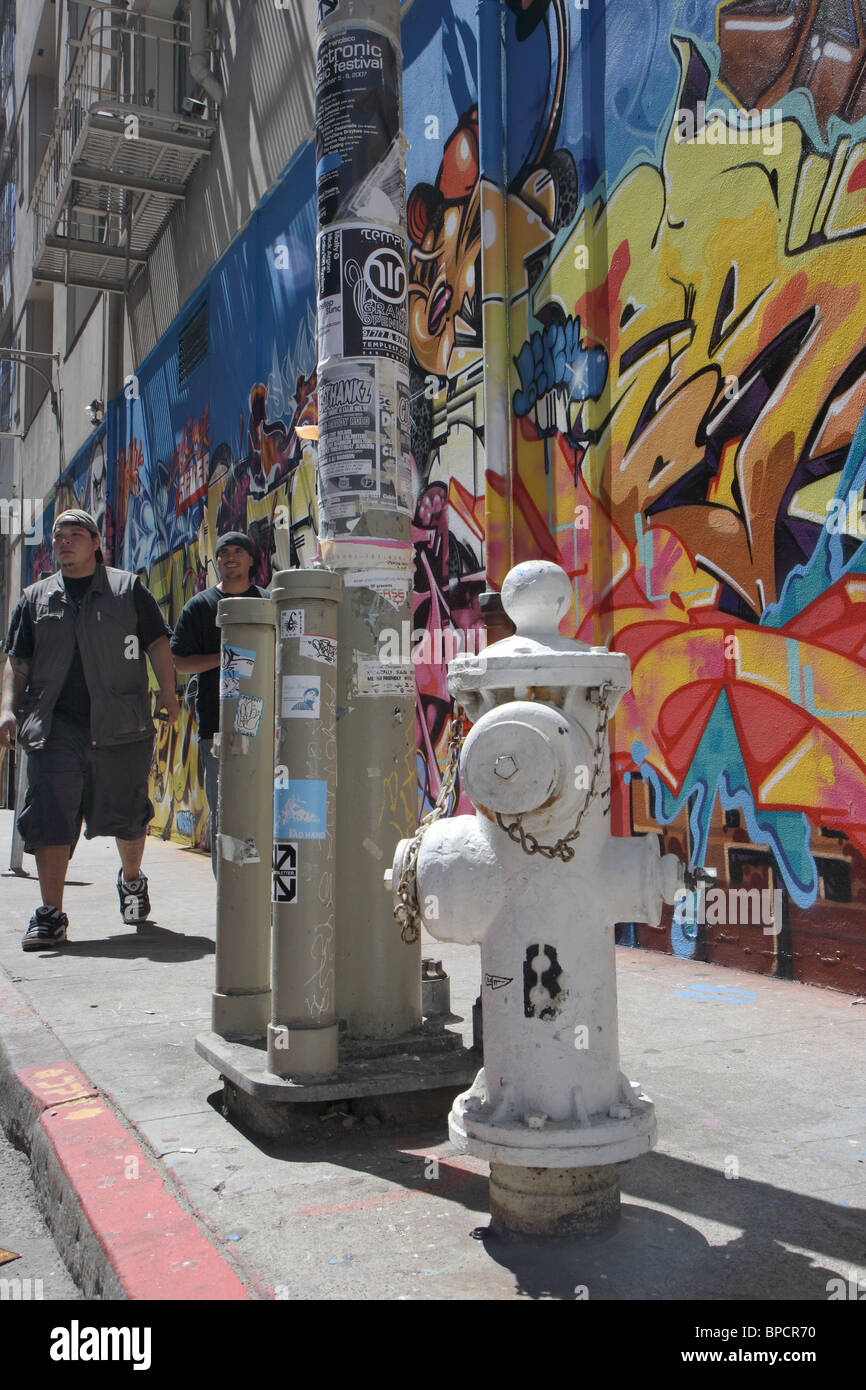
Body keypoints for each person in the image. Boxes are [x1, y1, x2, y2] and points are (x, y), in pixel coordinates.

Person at [0, 509, 179, 951]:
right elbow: (17, 661)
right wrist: (7, 709)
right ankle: (51, 913)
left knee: (129, 813)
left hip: (121, 724)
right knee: (50, 817)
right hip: (54, 726)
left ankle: (132, 880)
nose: (64, 542)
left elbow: (157, 642)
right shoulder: (35, 598)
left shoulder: (127, 589)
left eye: (75, 535)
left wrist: (169, 695)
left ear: (96, 543)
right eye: (59, 536)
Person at [170, 532, 268, 876]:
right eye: (224, 552)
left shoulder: (267, 604)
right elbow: (180, 662)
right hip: (217, 731)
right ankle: (227, 900)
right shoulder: (200, 607)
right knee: (226, 817)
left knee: (264, 813)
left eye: (238, 551)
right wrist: (225, 657)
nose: (230, 558)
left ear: (251, 559)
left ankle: (261, 901)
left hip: (266, 730)